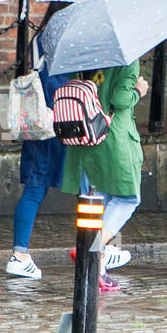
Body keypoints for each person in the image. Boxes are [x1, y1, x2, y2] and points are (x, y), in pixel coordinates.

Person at [60, 61, 148, 292]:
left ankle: (96, 269)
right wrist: (138, 91)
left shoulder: (82, 52)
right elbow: (120, 99)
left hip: (84, 135)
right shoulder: (126, 60)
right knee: (127, 198)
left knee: (95, 202)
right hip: (111, 137)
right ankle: (91, 246)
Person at [6, 3, 70, 279]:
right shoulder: (68, 38)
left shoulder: (38, 38)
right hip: (63, 120)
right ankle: (100, 246)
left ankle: (20, 252)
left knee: (35, 188)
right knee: (88, 187)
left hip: (39, 120)